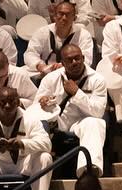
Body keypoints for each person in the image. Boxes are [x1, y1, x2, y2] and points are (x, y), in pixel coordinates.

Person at [35, 42, 109, 174]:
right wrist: (43, 103)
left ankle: (88, 171)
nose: (75, 62)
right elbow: (36, 109)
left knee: (96, 122)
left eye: (77, 58)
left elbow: (98, 112)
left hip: (82, 124)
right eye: (69, 60)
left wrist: (77, 93)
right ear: (62, 63)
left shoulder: (97, 79)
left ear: (83, 58)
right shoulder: (50, 79)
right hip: (56, 123)